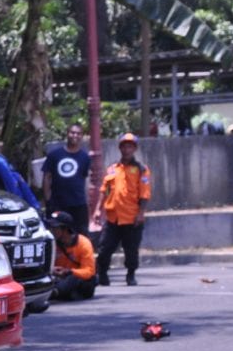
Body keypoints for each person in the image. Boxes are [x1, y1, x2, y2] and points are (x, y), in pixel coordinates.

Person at [97, 133, 151, 286]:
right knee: (105, 247)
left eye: (130, 146)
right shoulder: (112, 169)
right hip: (113, 217)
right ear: (120, 148)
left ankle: (130, 274)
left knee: (131, 249)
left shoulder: (141, 169)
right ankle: (102, 273)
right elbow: (104, 190)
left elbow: (145, 194)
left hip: (132, 217)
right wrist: (97, 210)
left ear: (134, 149)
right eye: (124, 146)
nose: (127, 149)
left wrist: (141, 214)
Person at [39, 124, 92, 226]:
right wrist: (48, 200)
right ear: (67, 134)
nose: (75, 135)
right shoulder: (54, 155)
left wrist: (87, 201)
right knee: (58, 235)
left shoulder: (85, 157)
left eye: (78, 133)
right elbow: (47, 177)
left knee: (80, 235)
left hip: (78, 204)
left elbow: (86, 180)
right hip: (57, 203)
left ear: (82, 136)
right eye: (72, 133)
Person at [47, 211, 97, 301]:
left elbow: (89, 272)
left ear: (65, 229)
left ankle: (55, 292)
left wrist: (68, 271)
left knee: (73, 278)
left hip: (78, 280)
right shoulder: (52, 243)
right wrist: (52, 269)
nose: (52, 230)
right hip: (60, 278)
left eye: (55, 228)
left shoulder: (83, 243)